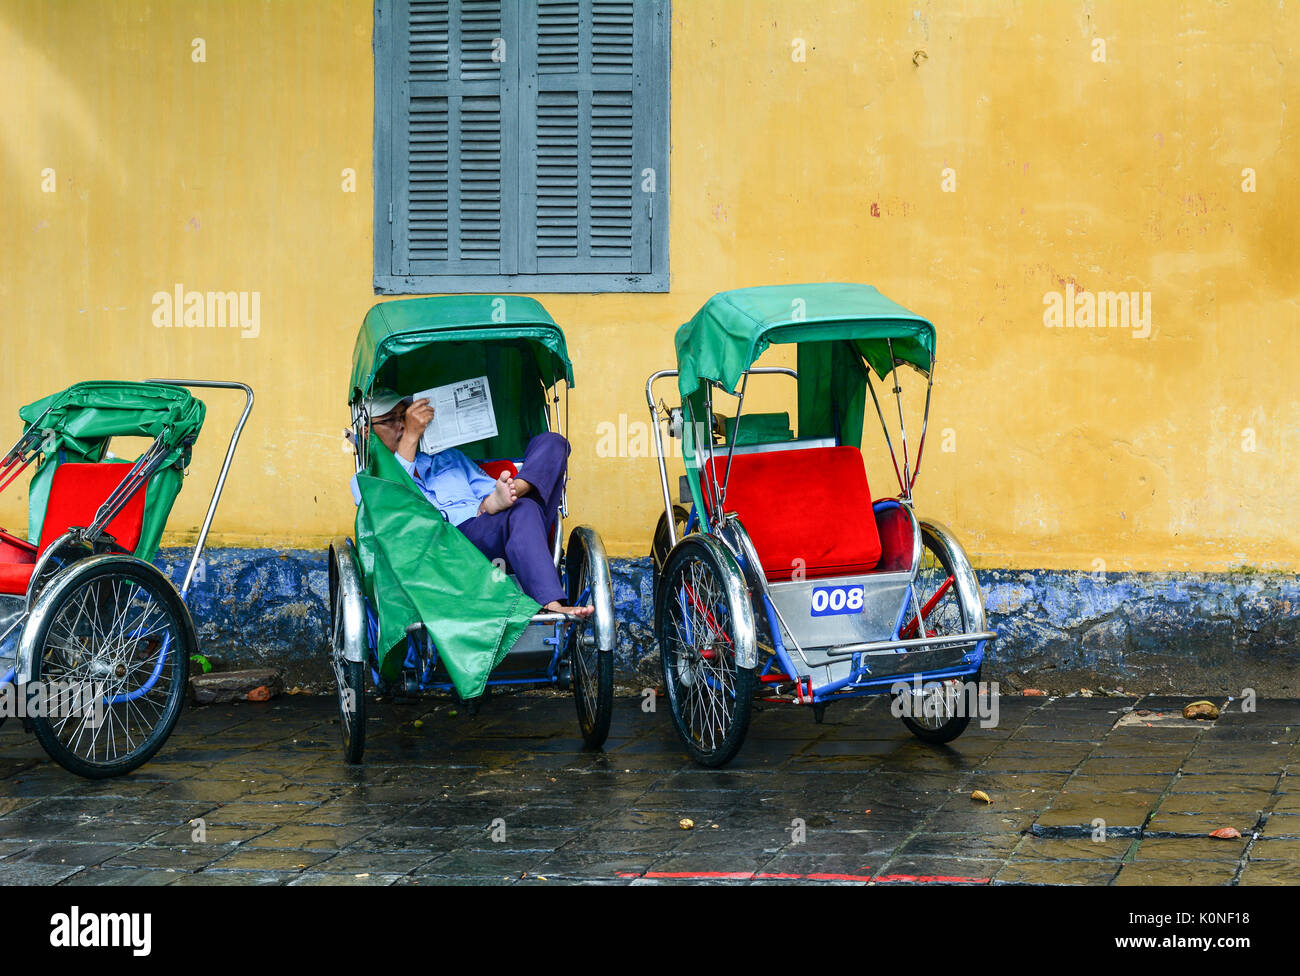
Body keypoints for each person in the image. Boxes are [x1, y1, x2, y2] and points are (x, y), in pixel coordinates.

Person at [352, 387, 593, 618]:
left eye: (403, 416)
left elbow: (491, 490)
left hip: (487, 530)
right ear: (366, 431)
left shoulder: (448, 459)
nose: (402, 424)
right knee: (522, 507)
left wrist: (494, 500)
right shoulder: (366, 480)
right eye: (390, 420)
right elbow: (393, 511)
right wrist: (412, 437)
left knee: (552, 443)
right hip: (439, 551)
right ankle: (552, 605)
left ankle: (518, 489)